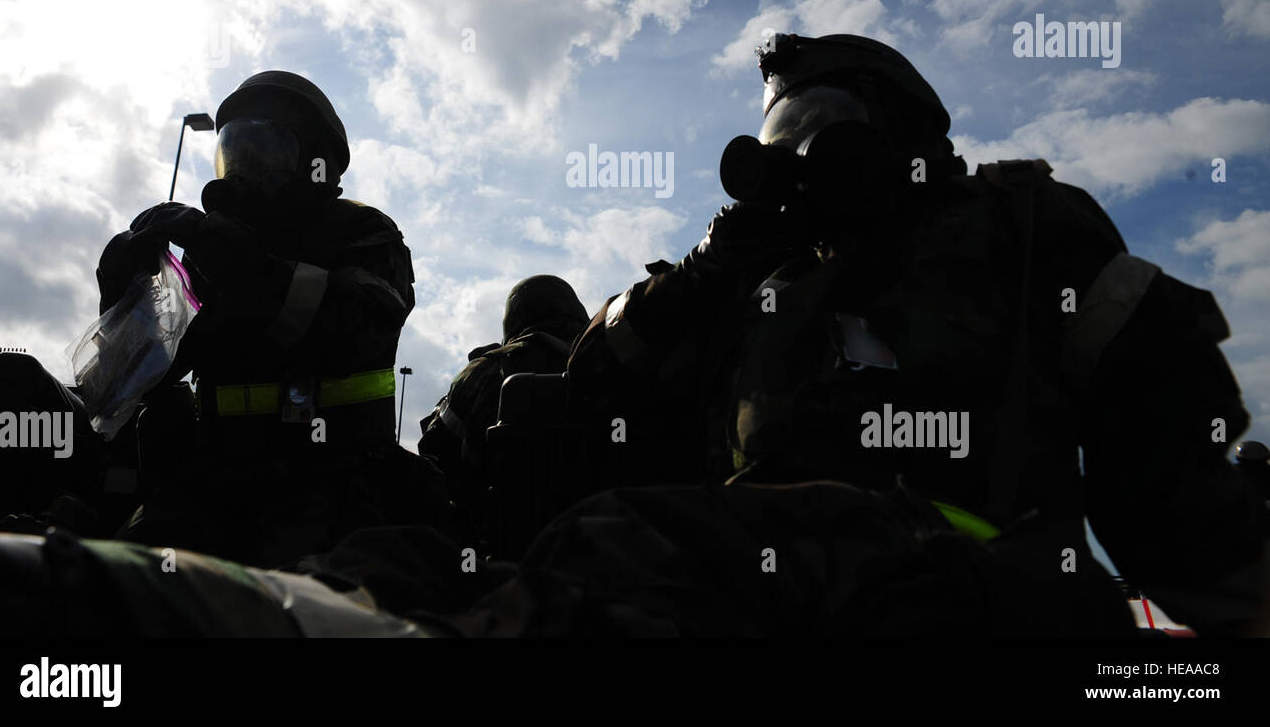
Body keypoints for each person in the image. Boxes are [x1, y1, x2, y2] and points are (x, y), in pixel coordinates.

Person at [516, 31, 1268, 637]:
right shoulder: (762, 286)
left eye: (818, 126)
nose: (794, 158)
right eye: (779, 136)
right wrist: (700, 272)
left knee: (616, 545)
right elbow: (594, 382)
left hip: (987, 584)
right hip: (772, 583)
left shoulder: (1017, 226)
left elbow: (1168, 474)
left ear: (894, 127)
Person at [96, 71, 450, 567]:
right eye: (235, 151)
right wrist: (124, 295)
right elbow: (129, 383)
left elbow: (352, 329)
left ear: (314, 159)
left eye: (264, 148)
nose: (245, 167)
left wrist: (235, 259)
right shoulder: (213, 248)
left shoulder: (362, 232)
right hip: (216, 479)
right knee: (121, 580)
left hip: (338, 476)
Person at [419, 275, 589, 541]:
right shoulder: (605, 365)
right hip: (606, 537)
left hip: (502, 543)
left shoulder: (488, 369)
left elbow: (436, 455)